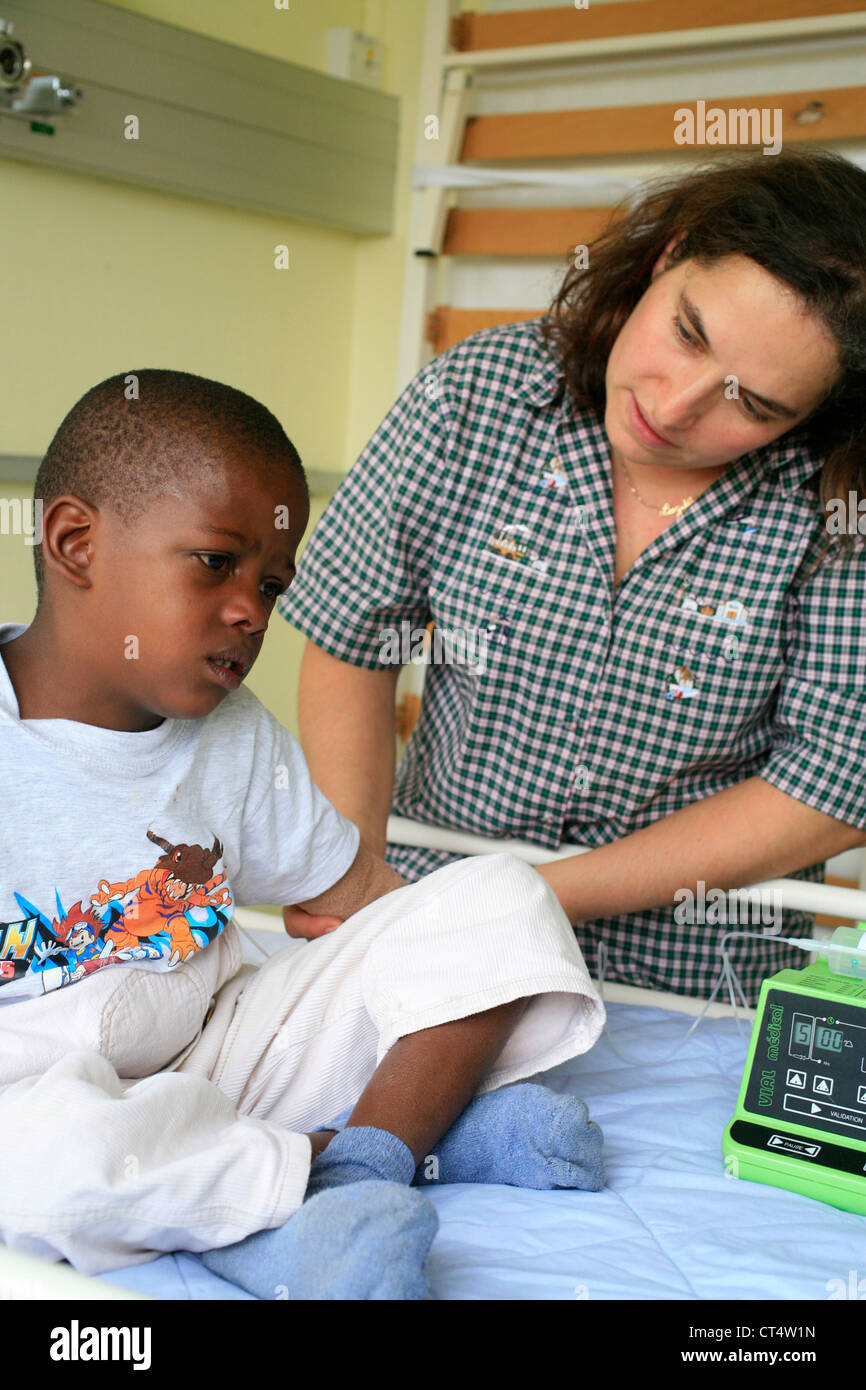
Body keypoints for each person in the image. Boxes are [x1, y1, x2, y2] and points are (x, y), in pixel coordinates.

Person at [0, 370, 606, 1301]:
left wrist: (433, 964)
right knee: (45, 1161)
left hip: (218, 1051)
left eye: (271, 585)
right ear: (77, 542)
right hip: (36, 1092)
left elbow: (360, 899)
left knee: (500, 895)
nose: (251, 612)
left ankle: (369, 1162)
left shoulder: (235, 736)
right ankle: (311, 1195)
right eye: (215, 563)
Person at [279, 147, 866, 1007]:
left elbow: (834, 783)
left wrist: (527, 904)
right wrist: (354, 880)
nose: (672, 409)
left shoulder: (840, 501)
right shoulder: (481, 396)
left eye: (753, 404)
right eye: (687, 333)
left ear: (820, 415)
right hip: (423, 905)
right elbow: (352, 639)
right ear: (668, 255)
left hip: (690, 977)